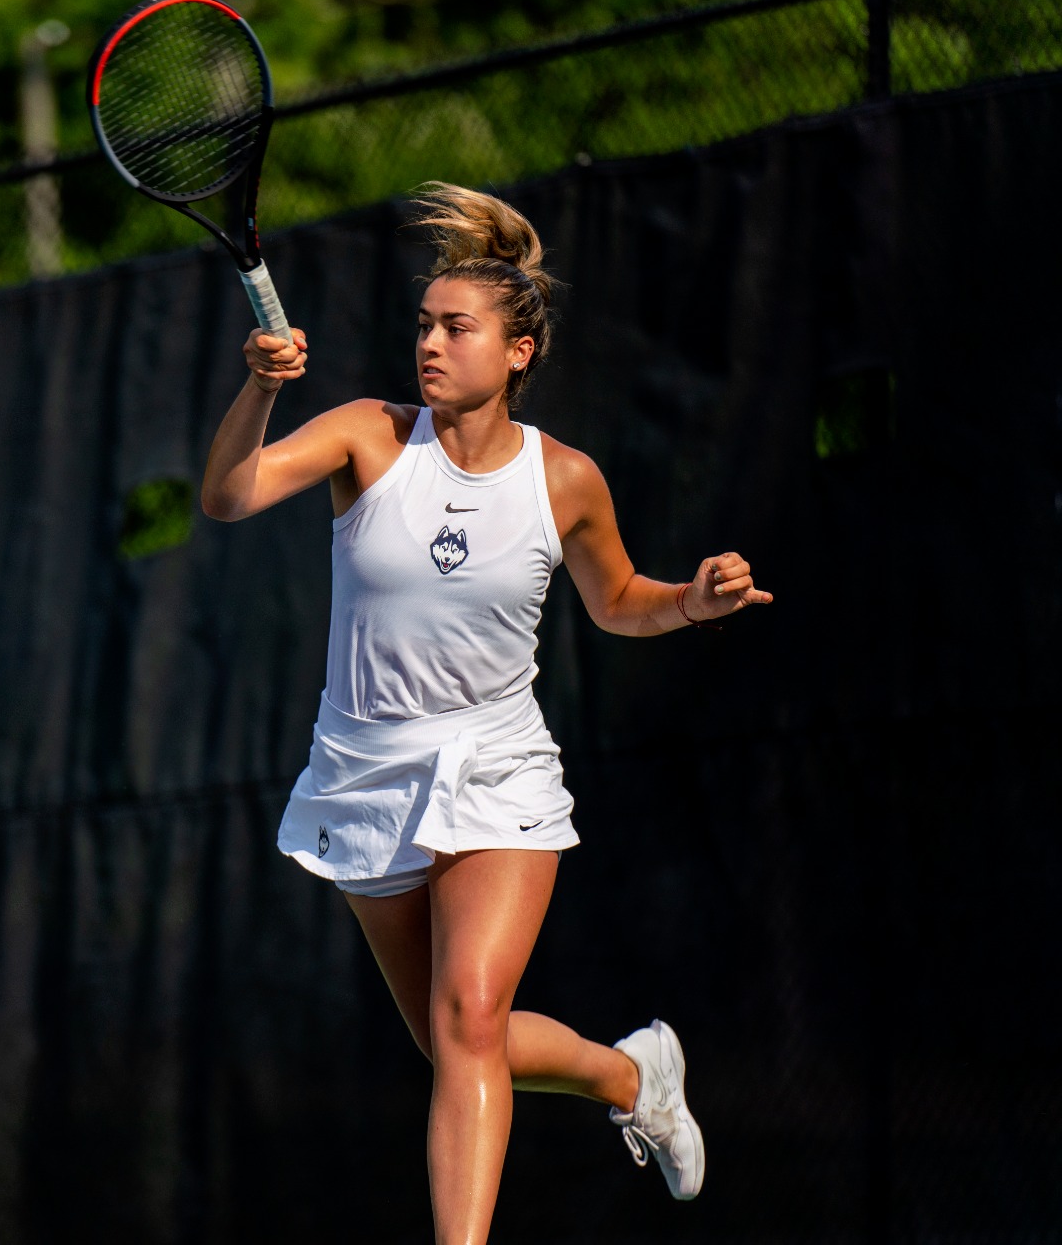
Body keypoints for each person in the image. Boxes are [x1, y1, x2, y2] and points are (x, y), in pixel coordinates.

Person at [198, 183, 771, 1245]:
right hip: (361, 769)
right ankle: (626, 1073)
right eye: (422, 323)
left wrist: (687, 602)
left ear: (517, 350)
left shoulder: (563, 479)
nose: (429, 343)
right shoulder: (368, 436)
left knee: (467, 1017)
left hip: (495, 765)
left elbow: (615, 602)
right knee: (456, 1040)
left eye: (454, 328)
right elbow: (228, 495)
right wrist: (256, 392)